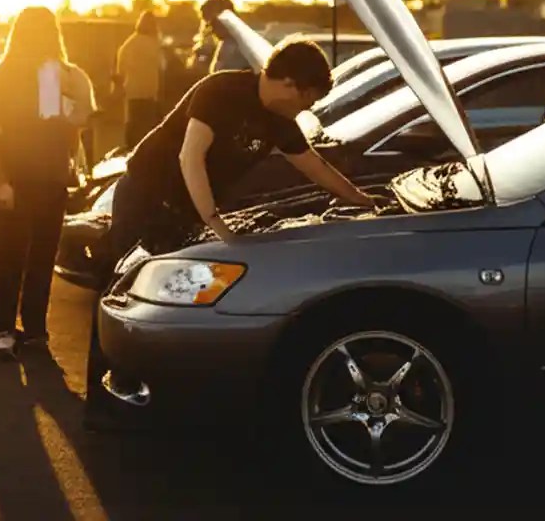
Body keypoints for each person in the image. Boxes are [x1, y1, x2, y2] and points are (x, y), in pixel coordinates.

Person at [83, 38, 382, 427]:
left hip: (187, 210)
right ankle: (101, 399)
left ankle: (151, 392)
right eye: (306, 100)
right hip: (145, 195)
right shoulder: (222, 91)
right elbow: (189, 156)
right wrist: (215, 222)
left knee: (171, 298)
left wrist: (362, 200)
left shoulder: (280, 122)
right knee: (122, 291)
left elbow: (315, 167)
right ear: (290, 84)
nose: (305, 110)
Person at [0, 7, 95, 360]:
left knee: (32, 256)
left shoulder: (65, 75)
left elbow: (83, 119)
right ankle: (9, 330)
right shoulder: (4, 76)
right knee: (20, 256)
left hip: (44, 176)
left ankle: (29, 331)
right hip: (20, 176)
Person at [115, 11, 164, 148]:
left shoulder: (129, 44)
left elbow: (120, 69)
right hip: (150, 93)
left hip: (133, 92)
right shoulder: (154, 44)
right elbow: (162, 66)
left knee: (133, 125)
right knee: (149, 127)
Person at [188, 0, 248, 74]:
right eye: (208, 25)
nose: (212, 30)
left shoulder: (240, 48)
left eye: (213, 23)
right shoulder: (225, 43)